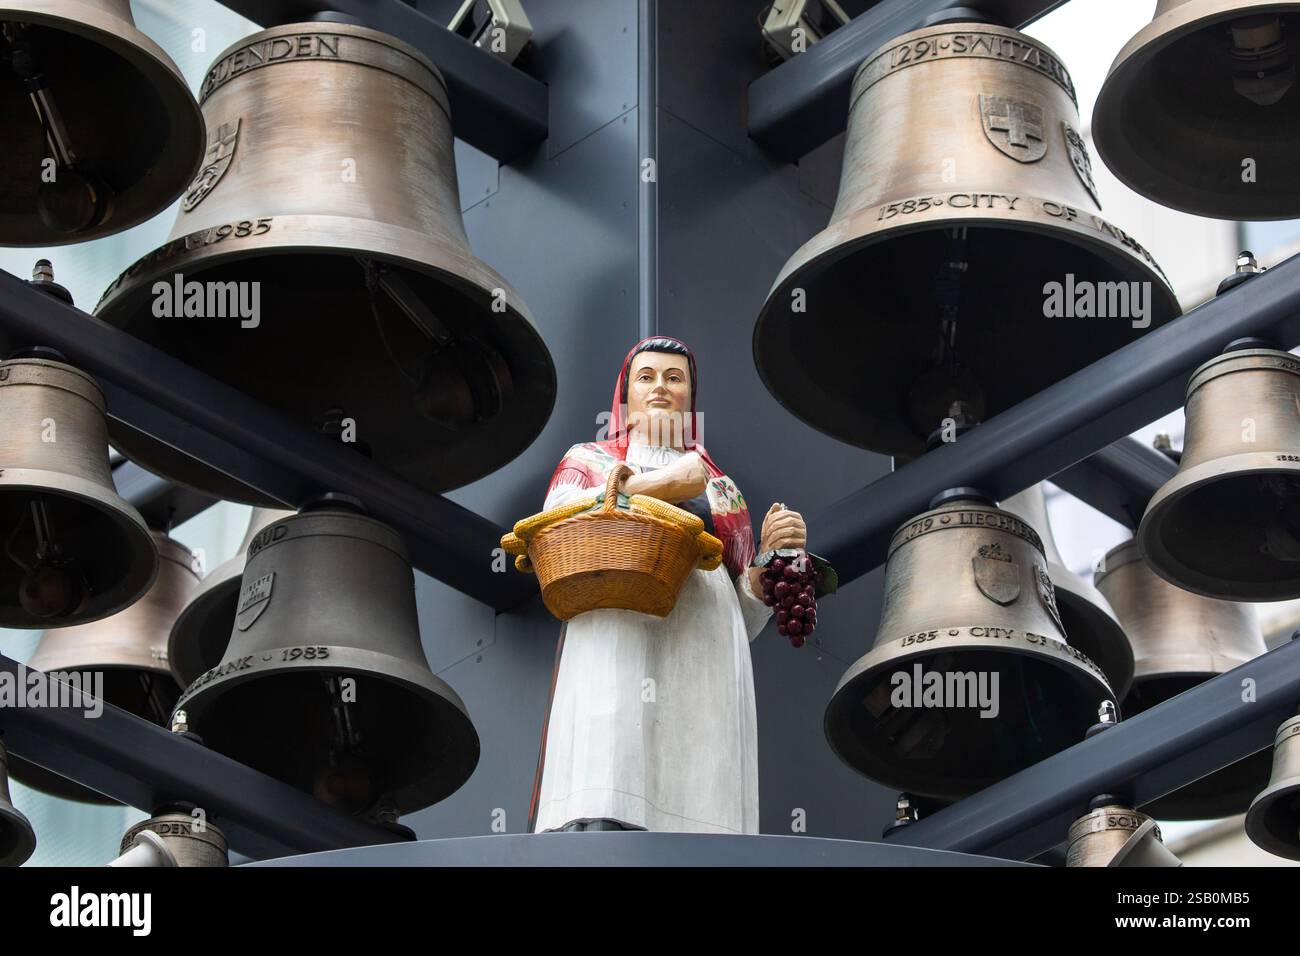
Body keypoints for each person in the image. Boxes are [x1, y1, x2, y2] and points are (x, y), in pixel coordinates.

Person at [528, 336, 807, 834]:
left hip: (703, 649)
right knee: (612, 757)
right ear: (626, 397)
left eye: (674, 378)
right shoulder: (588, 460)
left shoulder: (722, 489)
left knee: (702, 782)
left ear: (690, 399)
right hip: (617, 632)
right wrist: (658, 485)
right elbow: (553, 529)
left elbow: (743, 612)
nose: (660, 387)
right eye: (647, 376)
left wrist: (769, 563)